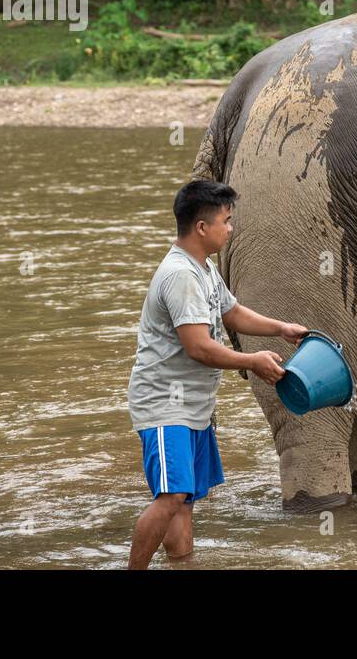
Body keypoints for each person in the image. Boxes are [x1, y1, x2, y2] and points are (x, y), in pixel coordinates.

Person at [126, 179, 306, 569]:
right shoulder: (181, 276)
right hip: (164, 405)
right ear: (202, 227)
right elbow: (200, 347)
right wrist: (253, 361)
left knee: (184, 499)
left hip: (192, 405)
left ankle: (182, 565)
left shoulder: (204, 269)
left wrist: (281, 328)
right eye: (227, 220)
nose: (231, 228)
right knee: (171, 496)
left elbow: (232, 313)